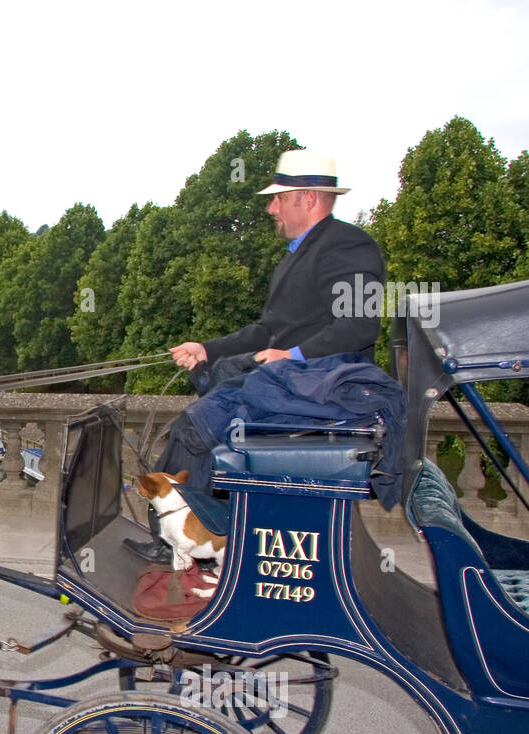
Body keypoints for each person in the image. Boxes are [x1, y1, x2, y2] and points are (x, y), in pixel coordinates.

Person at [126, 150, 386, 563]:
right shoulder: (298, 255)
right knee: (206, 402)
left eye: (279, 199)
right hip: (296, 380)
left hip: (321, 386)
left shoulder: (349, 246)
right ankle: (197, 536)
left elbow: (360, 327)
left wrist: (292, 355)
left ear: (309, 198)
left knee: (195, 427)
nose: (270, 208)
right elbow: (266, 332)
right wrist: (207, 349)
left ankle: (184, 541)